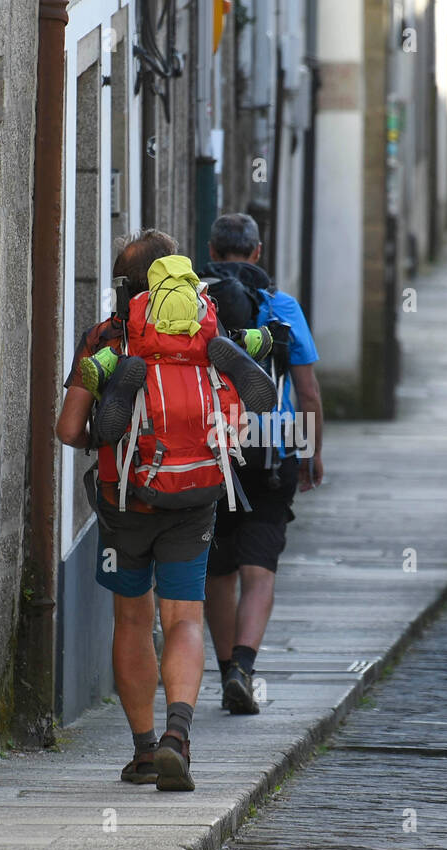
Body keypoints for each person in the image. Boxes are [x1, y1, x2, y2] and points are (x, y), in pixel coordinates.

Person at [56, 228, 271, 790]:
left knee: (132, 618)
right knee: (184, 619)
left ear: (126, 286)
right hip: (196, 496)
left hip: (125, 500)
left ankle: (146, 751)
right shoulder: (209, 331)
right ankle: (180, 734)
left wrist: (109, 438)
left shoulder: (107, 336)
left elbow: (67, 428)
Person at [199, 213, 324, 715]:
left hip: (213, 449)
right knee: (260, 567)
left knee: (217, 569)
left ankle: (227, 664)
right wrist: (312, 450)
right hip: (274, 450)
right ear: (257, 252)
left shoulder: (199, 304)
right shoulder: (282, 306)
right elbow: (309, 392)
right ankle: (243, 670)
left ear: (210, 248)